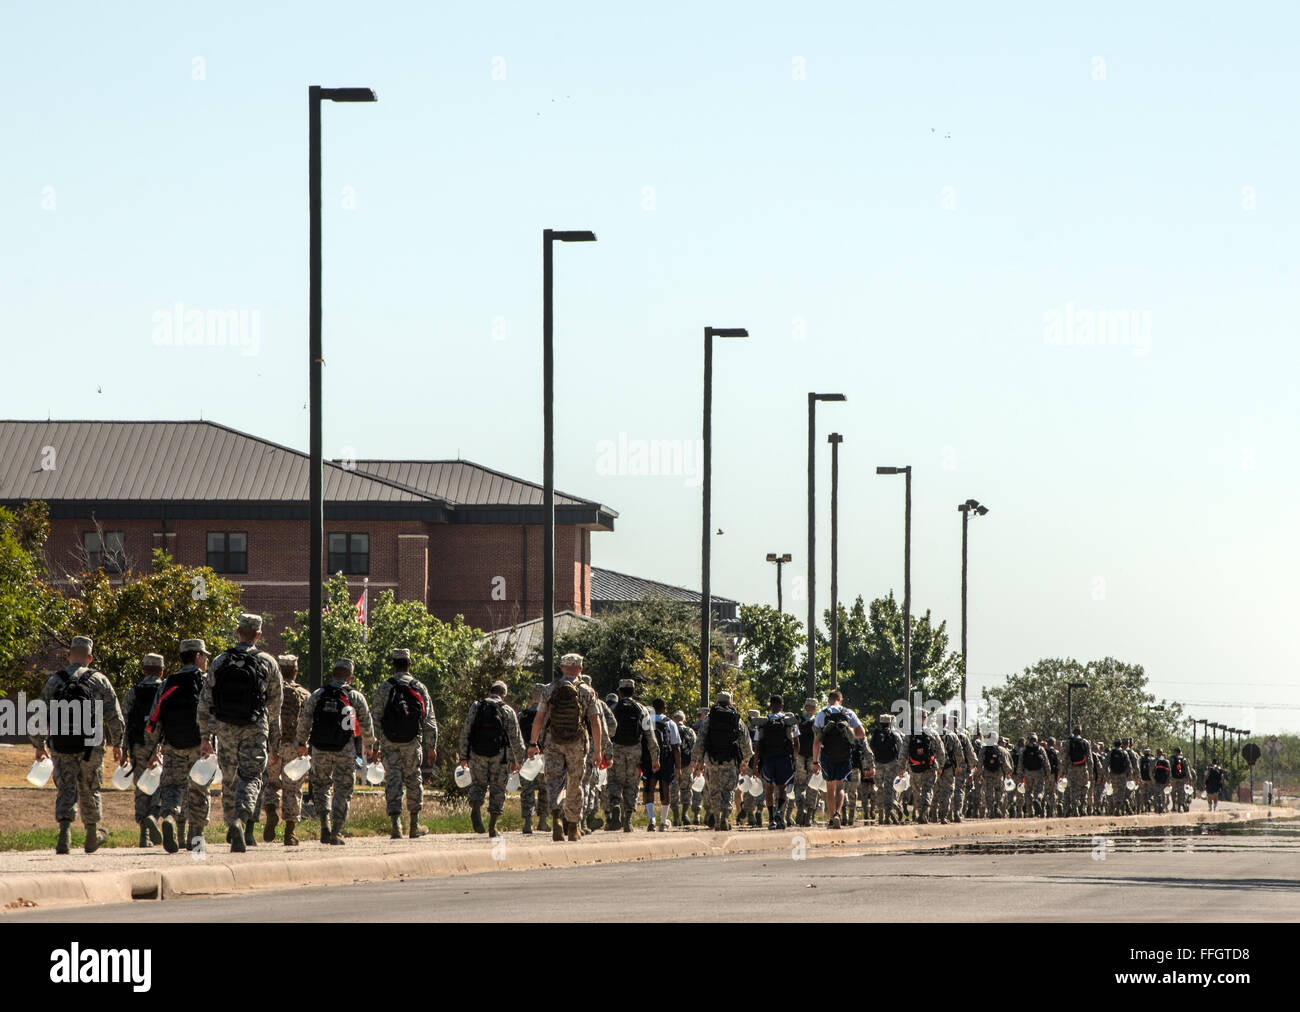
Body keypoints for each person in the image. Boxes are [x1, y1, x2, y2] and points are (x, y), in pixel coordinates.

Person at [30, 635, 125, 855]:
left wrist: (39, 744)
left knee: (66, 787)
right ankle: (92, 834)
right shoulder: (99, 680)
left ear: (69, 656)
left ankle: (64, 835)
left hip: (62, 743)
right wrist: (118, 742)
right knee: (91, 787)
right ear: (90, 658)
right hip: (92, 744)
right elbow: (115, 715)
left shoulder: (55, 680)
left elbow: (39, 713)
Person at [200, 613, 283, 852]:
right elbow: (275, 704)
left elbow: (205, 700)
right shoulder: (267, 662)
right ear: (258, 635)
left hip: (225, 727)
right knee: (251, 776)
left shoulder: (220, 660)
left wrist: (205, 735)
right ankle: (242, 820)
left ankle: (230, 825)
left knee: (229, 777)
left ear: (238, 632)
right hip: (255, 725)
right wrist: (269, 731)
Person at [525, 653, 603, 842]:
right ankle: (574, 826)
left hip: (553, 742)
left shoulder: (549, 690)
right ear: (580, 669)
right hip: (577, 743)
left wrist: (533, 744)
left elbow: (539, 719)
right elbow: (595, 721)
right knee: (575, 783)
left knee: (554, 781)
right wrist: (598, 749)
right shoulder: (587, 691)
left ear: (561, 668)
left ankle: (556, 816)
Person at [145, 639, 212, 853]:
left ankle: (169, 818)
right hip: (200, 744)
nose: (207, 660)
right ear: (198, 657)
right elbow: (213, 713)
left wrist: (152, 749)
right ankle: (196, 839)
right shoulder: (205, 681)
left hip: (172, 744)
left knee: (173, 787)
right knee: (199, 790)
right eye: (205, 656)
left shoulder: (169, 682)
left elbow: (155, 717)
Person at [297, 658, 373, 845]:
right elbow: (366, 723)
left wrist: (301, 742)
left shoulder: (318, 694)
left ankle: (324, 824)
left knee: (321, 786)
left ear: (333, 674)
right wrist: (370, 745)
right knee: (343, 789)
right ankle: (337, 831)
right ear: (350, 677)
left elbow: (305, 720)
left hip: (320, 748)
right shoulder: (354, 696)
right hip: (344, 748)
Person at [373, 648, 438, 839]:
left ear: (393, 664)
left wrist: (374, 746)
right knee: (413, 779)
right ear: (409, 664)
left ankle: (396, 825)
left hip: (389, 742)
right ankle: (414, 825)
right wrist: (431, 746)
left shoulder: (385, 687)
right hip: (412, 742)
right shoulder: (419, 687)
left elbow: (375, 718)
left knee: (393, 779)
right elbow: (429, 720)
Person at [458, 680, 525, 838]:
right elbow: (515, 738)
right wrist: (519, 760)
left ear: (490, 692)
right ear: (504, 694)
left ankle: (475, 808)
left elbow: (465, 730)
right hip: (499, 756)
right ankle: (493, 827)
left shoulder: (477, 706)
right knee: (498, 789)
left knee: (478, 784)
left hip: (477, 754)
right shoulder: (507, 710)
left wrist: (463, 755)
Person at [261, 654, 311, 845]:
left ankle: (272, 811)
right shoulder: (305, 694)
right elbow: (308, 723)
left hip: (274, 744)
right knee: (293, 788)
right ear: (296, 671)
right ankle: (289, 833)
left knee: (271, 783)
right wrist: (303, 745)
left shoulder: (270, 692)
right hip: (294, 746)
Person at [691, 690, 752, 831]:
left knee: (714, 791)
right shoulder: (736, 719)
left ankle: (717, 820)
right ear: (731, 702)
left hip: (711, 760)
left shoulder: (709, 719)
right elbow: (745, 742)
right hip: (730, 760)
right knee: (728, 790)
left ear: (717, 702)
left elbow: (700, 740)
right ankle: (725, 817)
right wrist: (746, 759)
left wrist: (696, 759)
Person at [121, 653, 165, 847]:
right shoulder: (165, 689)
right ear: (162, 670)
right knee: (161, 783)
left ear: (144, 670)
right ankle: (154, 816)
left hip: (137, 742)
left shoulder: (134, 691)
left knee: (141, 786)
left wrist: (123, 748)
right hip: (159, 743)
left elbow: (125, 720)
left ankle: (143, 835)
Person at [607, 679, 658, 832]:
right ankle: (627, 820)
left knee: (615, 780)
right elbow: (650, 735)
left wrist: (604, 751)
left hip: (616, 749)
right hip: (635, 750)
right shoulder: (642, 709)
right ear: (633, 691)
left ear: (620, 692)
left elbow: (606, 731)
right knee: (632, 784)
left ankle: (615, 803)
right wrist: (655, 758)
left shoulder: (614, 708)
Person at [812, 689, 866, 830]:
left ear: (829, 700)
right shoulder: (848, 713)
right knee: (841, 787)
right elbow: (862, 733)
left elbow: (816, 741)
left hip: (827, 755)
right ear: (840, 700)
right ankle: (837, 813)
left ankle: (831, 818)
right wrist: (849, 733)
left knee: (830, 787)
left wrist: (815, 761)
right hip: (844, 754)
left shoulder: (822, 714)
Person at [754, 694, 798, 830]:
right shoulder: (788, 721)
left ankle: (772, 819)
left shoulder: (764, 722)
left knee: (769, 788)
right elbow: (796, 743)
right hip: (784, 759)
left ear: (770, 705)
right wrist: (794, 758)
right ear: (782, 706)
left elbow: (758, 744)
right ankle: (780, 813)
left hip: (768, 759)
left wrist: (756, 763)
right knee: (782, 788)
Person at [516, 684, 550, 835]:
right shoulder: (547, 714)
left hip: (526, 756)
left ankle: (527, 823)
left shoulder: (522, 715)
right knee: (545, 789)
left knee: (527, 790)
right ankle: (543, 821)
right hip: (544, 755)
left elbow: (516, 737)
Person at [643, 698, 681, 831]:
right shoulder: (670, 723)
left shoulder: (647, 721)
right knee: (665, 789)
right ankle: (663, 821)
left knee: (649, 788)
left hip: (650, 759)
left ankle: (651, 819)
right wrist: (678, 767)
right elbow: (676, 747)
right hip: (667, 759)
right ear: (664, 708)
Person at [903, 710, 946, 824]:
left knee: (916, 791)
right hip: (930, 766)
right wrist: (941, 766)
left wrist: (902, 768)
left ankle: (919, 812)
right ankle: (925, 811)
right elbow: (941, 751)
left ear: (916, 719)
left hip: (914, 767)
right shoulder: (932, 733)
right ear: (926, 719)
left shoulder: (910, 734)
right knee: (927, 789)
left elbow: (903, 753)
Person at [869, 713, 905, 824]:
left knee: (880, 789)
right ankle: (888, 816)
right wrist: (902, 767)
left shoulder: (874, 735)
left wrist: (870, 765)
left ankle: (880, 815)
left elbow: (869, 750)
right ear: (889, 723)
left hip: (878, 764)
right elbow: (901, 752)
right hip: (891, 764)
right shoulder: (895, 735)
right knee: (889, 790)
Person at [793, 699, 821, 826]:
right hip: (813, 757)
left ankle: (800, 807)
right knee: (813, 785)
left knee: (799, 784)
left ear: (805, 707)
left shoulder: (797, 721)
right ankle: (809, 815)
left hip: (799, 756)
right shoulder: (818, 721)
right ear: (815, 709)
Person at [670, 709, 696, 827]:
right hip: (687, 765)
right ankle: (685, 814)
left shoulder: (670, 729)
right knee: (686, 790)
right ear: (684, 720)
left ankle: (676, 817)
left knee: (673, 792)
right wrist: (694, 762)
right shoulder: (690, 731)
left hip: (673, 766)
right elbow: (695, 747)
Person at [979, 735, 1012, 818]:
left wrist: (979, 773)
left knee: (988, 792)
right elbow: (1005, 763)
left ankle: (990, 811)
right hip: (998, 773)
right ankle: (997, 806)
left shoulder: (984, 749)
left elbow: (980, 762)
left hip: (987, 773)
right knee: (999, 791)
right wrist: (1008, 773)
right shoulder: (1001, 750)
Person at [1019, 733, 1050, 818]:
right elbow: (1046, 762)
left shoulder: (1024, 750)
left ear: (1028, 739)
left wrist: (1020, 776)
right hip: (1039, 772)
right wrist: (1048, 773)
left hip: (1028, 773)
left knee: (1028, 792)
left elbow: (1020, 764)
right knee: (1039, 790)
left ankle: (1030, 812)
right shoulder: (1041, 749)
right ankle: (1037, 799)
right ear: (1036, 740)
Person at [1106, 739, 1132, 815]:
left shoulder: (1111, 753)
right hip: (1122, 775)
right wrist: (1129, 775)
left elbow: (1105, 765)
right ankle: (1118, 807)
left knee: (1115, 791)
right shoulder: (1124, 753)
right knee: (1121, 791)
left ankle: (1116, 807)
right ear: (1121, 745)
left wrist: (1107, 776)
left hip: (1113, 774)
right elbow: (1129, 765)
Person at [1169, 746, 1192, 813]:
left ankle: (1174, 806)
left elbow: (1169, 769)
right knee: (1181, 792)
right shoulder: (1184, 759)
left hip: (1173, 778)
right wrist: (1189, 779)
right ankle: (1180, 804)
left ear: (1175, 751)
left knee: (1173, 792)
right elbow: (1187, 770)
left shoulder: (1171, 758)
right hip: (1182, 778)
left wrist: (1169, 778)